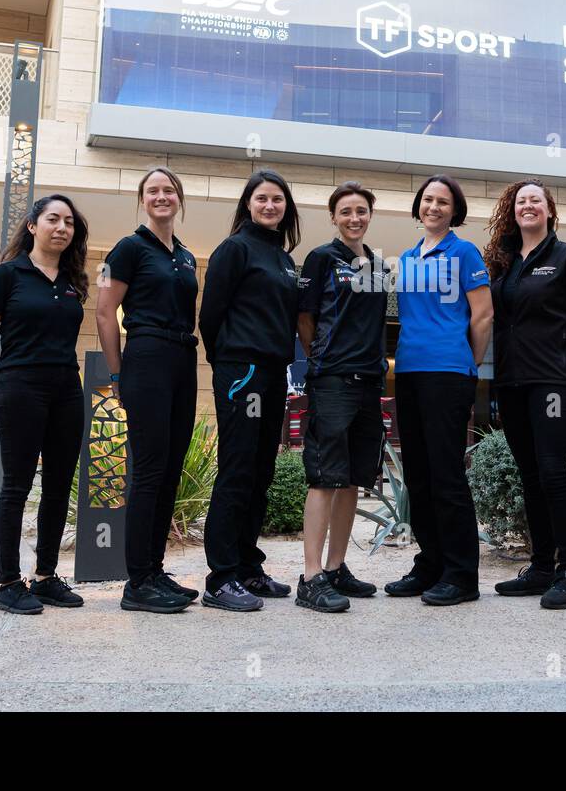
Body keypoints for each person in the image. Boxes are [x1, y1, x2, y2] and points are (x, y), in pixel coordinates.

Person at [486, 180, 566, 610]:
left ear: (549, 210)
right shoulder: (504, 262)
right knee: (530, 475)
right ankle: (540, 568)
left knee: (554, 472)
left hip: (555, 382)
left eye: (536, 199)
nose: (528, 206)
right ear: (512, 212)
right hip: (512, 381)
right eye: (521, 201)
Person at [0, 194, 89, 615]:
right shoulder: (8, 275)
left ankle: (45, 577)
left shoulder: (73, 281)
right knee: (16, 487)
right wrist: (2, 383)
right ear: (33, 226)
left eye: (69, 223)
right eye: (53, 219)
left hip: (66, 390)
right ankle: (8, 582)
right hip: (20, 387)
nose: (61, 228)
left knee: (58, 487)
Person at [385, 175, 493, 606]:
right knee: (418, 475)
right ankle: (430, 563)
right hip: (409, 371)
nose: (433, 206)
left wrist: (467, 363)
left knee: (446, 474)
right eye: (428, 199)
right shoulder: (408, 257)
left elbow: (482, 315)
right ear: (419, 206)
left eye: (443, 201)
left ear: (454, 210)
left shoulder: (464, 252)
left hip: (448, 371)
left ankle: (462, 575)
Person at [97, 168, 201, 614]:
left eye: (169, 190)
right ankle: (137, 581)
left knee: (171, 469)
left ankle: (155, 570)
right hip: (146, 357)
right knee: (150, 469)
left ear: (179, 198)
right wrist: (118, 375)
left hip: (182, 359)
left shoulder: (186, 256)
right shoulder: (128, 248)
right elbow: (104, 312)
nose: (162, 196)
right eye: (153, 191)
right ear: (142, 200)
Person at [199, 170, 301, 612]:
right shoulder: (234, 248)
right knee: (238, 469)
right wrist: (228, 364)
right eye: (262, 198)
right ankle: (220, 578)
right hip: (242, 371)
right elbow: (210, 315)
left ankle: (247, 566)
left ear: (286, 208)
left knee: (261, 472)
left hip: (274, 370)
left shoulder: (283, 258)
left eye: (278, 200)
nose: (270, 206)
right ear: (248, 204)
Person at [295, 182, 388, 613]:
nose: (354, 218)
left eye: (362, 211)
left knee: (352, 479)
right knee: (325, 477)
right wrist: (324, 360)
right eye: (346, 211)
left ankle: (336, 567)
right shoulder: (321, 258)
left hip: (369, 383)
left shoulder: (379, 266)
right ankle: (311, 577)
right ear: (334, 217)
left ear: (370, 215)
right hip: (333, 381)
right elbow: (306, 317)